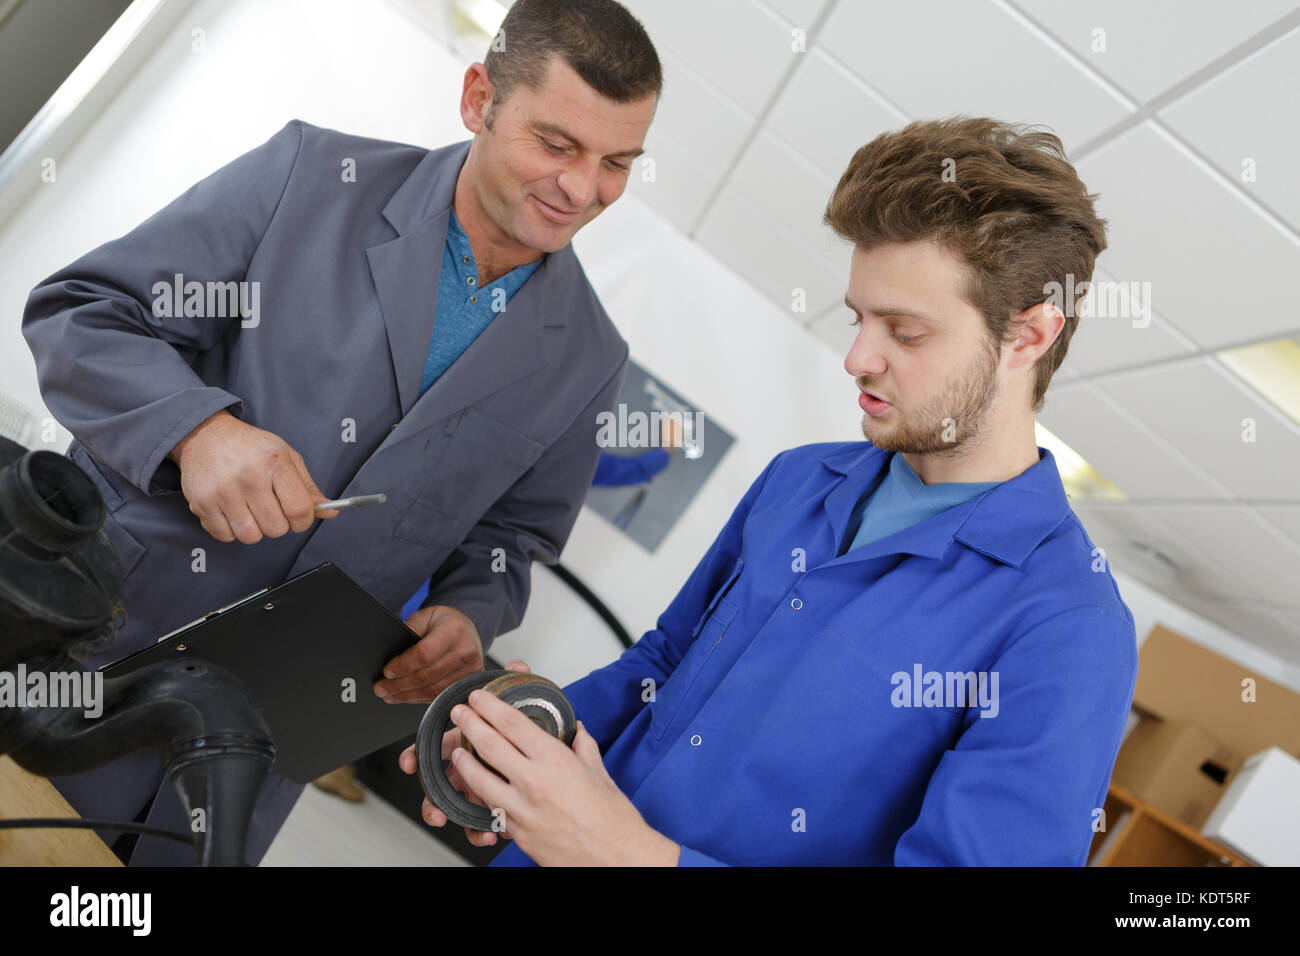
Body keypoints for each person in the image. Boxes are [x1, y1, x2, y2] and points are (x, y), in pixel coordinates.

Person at [20, 0, 661, 865]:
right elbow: (83, 314)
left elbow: (510, 540)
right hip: (94, 641)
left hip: (265, 734)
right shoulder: (312, 177)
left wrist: (467, 620)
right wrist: (196, 431)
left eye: (617, 162)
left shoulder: (589, 359)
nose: (583, 190)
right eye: (556, 144)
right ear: (479, 99)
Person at [402, 116, 1139, 866]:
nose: (857, 357)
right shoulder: (801, 478)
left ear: (1028, 336)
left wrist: (632, 856)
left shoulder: (1070, 626)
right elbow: (663, 664)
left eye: (905, 332)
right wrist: (525, 737)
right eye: (858, 319)